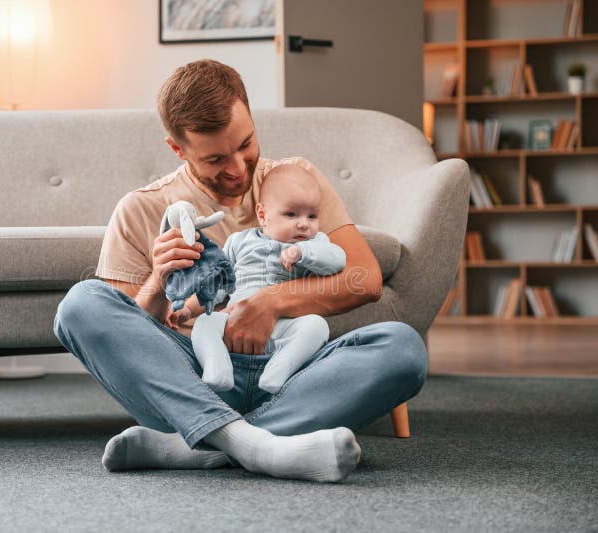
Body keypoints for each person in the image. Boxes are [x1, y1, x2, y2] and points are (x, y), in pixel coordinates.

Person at [53, 59, 428, 483]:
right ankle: (260, 445)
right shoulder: (140, 209)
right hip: (195, 376)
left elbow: (366, 277)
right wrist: (158, 282)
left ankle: (197, 447)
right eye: (215, 158)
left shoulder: (295, 182)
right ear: (177, 149)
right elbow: (128, 341)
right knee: (80, 305)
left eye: (246, 144)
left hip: (292, 370)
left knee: (404, 349)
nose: (237, 169)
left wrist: (270, 302)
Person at [182, 164, 347, 394]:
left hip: (285, 325)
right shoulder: (239, 241)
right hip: (234, 322)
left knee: (316, 326)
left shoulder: (315, 243)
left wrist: (303, 253)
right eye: (291, 214)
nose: (303, 223)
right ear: (262, 215)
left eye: (312, 215)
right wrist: (188, 310)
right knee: (205, 324)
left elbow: (337, 259)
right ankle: (217, 366)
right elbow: (219, 282)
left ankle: (280, 368)